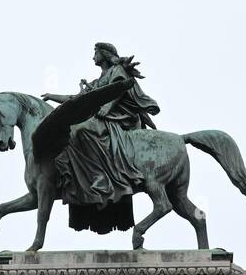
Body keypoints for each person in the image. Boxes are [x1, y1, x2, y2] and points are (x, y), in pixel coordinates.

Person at [42, 43, 160, 232]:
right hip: (101, 117)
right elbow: (75, 99)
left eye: (95, 53)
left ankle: (99, 177)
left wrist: (105, 109)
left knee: (80, 131)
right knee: (72, 132)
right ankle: (86, 177)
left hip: (115, 119)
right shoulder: (98, 80)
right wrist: (51, 96)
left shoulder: (117, 70)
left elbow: (119, 89)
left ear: (104, 54)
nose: (93, 57)